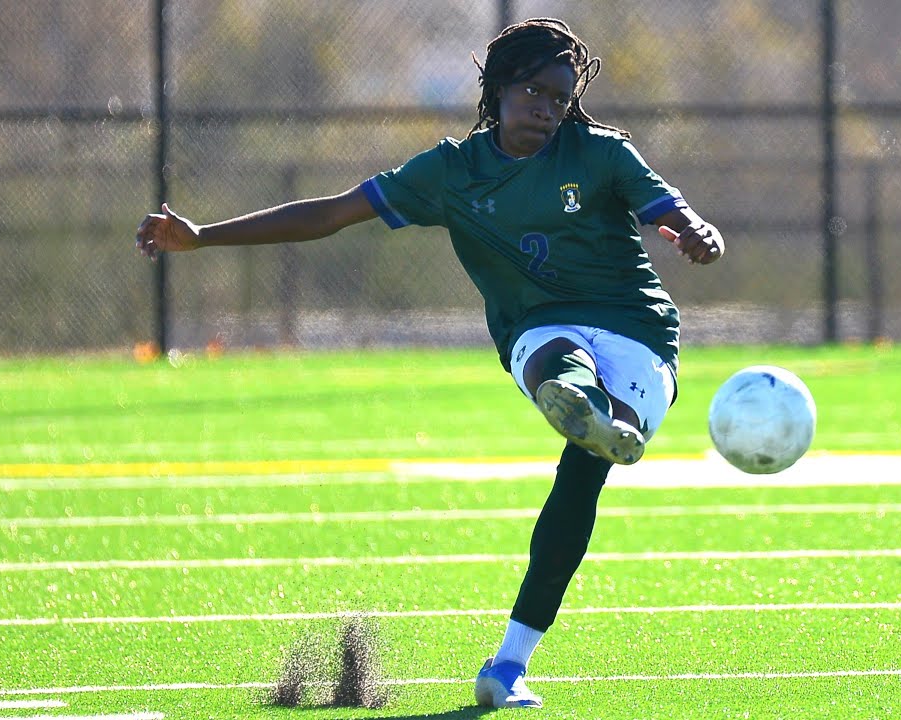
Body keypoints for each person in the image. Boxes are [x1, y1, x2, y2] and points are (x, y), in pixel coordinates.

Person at [135, 17, 724, 710]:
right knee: (559, 362)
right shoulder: (450, 172)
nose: (546, 107)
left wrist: (696, 230)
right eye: (533, 91)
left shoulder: (599, 153)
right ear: (498, 89)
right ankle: (582, 409)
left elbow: (669, 208)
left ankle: (511, 656)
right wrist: (203, 236)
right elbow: (330, 213)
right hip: (542, 325)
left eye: (559, 98)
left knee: (584, 474)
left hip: (637, 330)